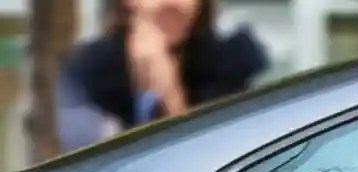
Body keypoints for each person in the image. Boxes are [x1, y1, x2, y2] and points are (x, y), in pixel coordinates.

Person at [56, 0, 268, 152]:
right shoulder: (91, 68)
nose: (172, 4)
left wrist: (169, 93)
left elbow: (218, 159)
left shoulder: (227, 63)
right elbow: (92, 160)